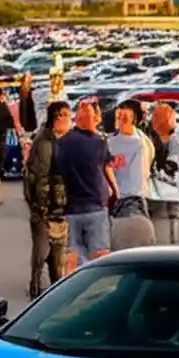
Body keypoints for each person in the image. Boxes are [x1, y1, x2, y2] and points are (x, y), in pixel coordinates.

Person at [56, 98, 118, 270]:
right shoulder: (98, 142)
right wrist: (114, 192)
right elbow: (107, 170)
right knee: (100, 258)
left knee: (73, 257)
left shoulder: (64, 142)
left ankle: (72, 291)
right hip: (95, 206)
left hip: (72, 207)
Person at [24, 101, 71, 299]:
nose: (70, 120)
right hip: (47, 205)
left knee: (55, 250)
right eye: (67, 116)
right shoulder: (45, 142)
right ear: (58, 117)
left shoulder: (58, 140)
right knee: (44, 248)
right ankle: (38, 286)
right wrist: (41, 206)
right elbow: (40, 176)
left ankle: (53, 288)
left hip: (57, 204)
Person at [107, 100, 155, 250]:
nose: (122, 120)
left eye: (127, 117)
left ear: (135, 119)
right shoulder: (110, 142)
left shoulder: (142, 141)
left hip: (134, 198)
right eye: (120, 116)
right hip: (120, 201)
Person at [145, 101, 179, 244]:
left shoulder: (174, 133)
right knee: (169, 226)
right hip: (166, 190)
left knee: (165, 225)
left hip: (165, 189)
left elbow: (172, 163)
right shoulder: (156, 134)